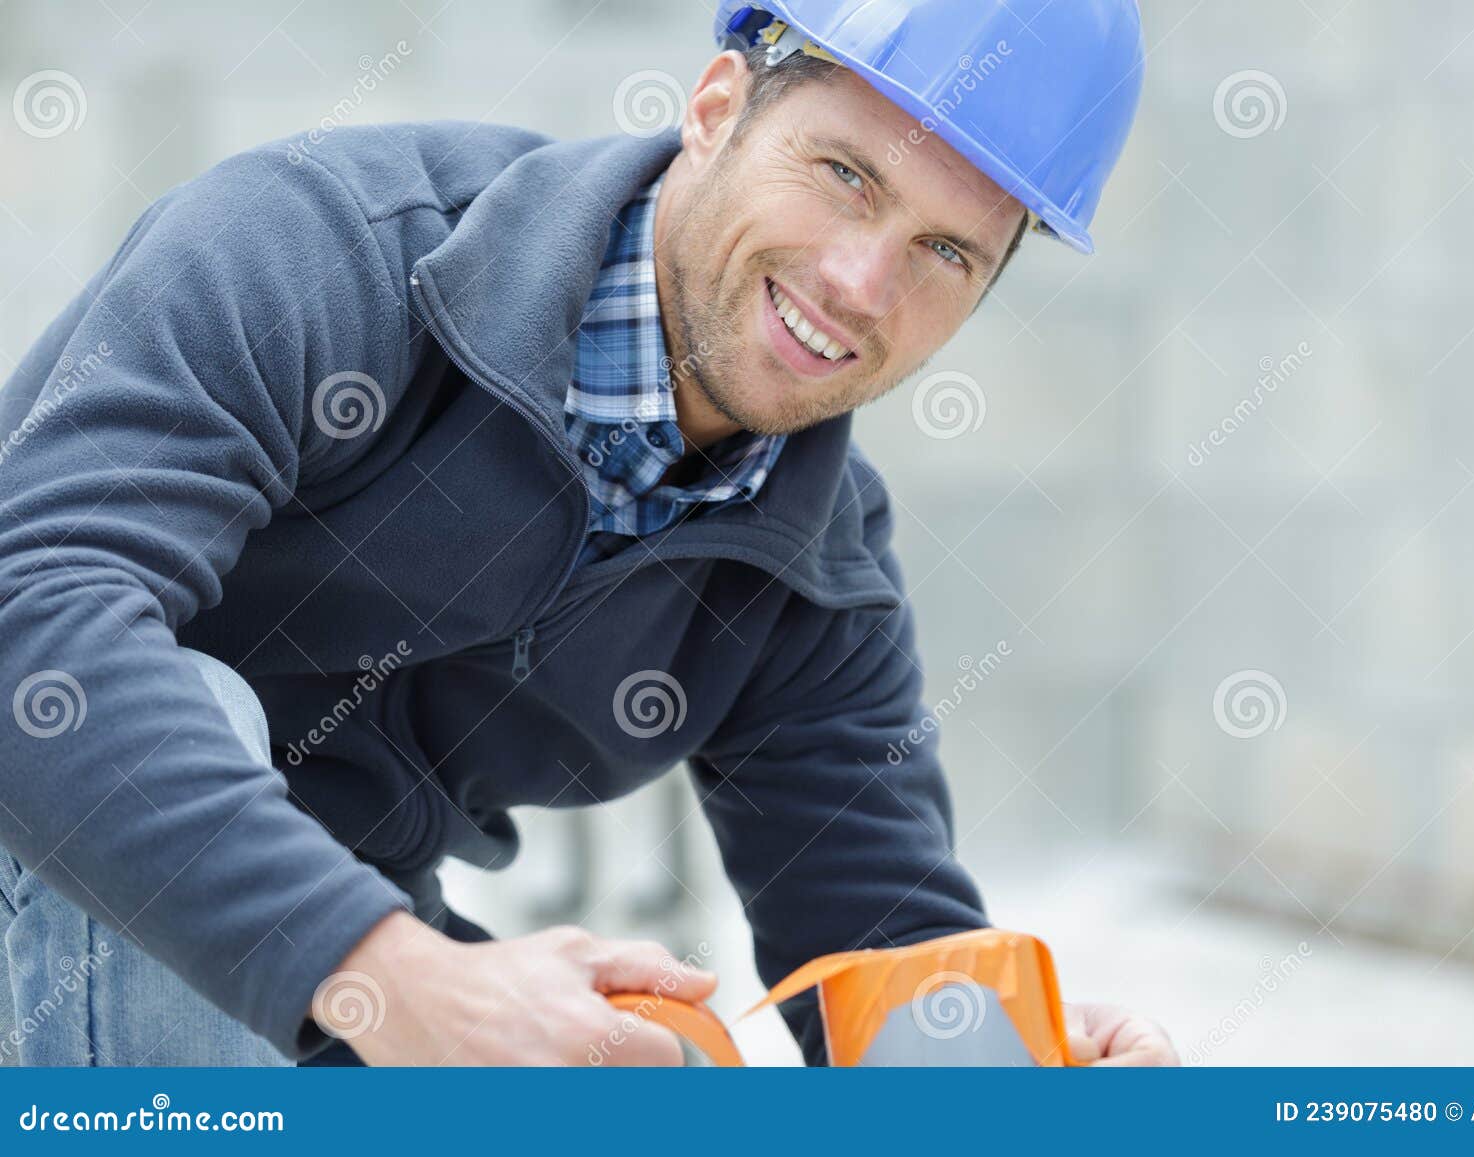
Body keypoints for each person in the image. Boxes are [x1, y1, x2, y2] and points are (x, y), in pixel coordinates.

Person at [0, 0, 1175, 1066]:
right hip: (54, 873)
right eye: (844, 176)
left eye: (943, 251)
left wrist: (1019, 1069)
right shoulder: (322, 247)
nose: (861, 283)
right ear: (716, 110)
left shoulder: (815, 564)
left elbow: (873, 940)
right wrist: (392, 971)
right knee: (189, 713)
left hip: (285, 981)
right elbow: (32, 619)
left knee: (646, 1070)